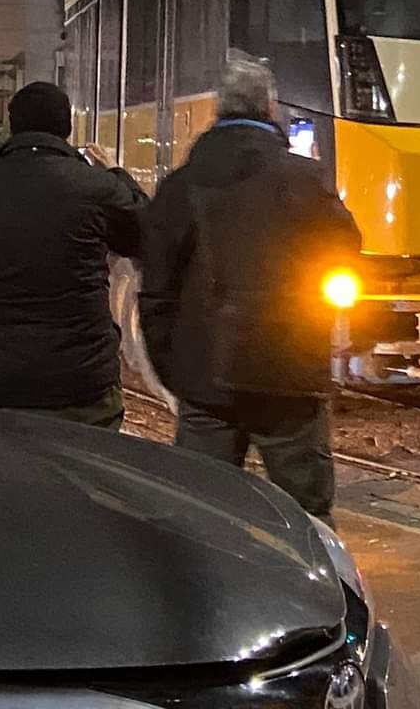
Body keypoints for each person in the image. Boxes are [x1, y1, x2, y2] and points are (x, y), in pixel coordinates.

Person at [138, 54, 361, 522]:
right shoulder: (305, 179)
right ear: (270, 107)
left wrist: (176, 370)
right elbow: (344, 250)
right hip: (289, 373)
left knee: (204, 514)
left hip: (205, 378)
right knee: (307, 516)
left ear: (218, 109)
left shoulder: (182, 185)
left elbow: (156, 289)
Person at [0, 82, 145, 427]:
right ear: (67, 127)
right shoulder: (98, 187)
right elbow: (146, 232)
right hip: (83, 386)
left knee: (3, 462)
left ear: (12, 126)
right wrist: (116, 172)